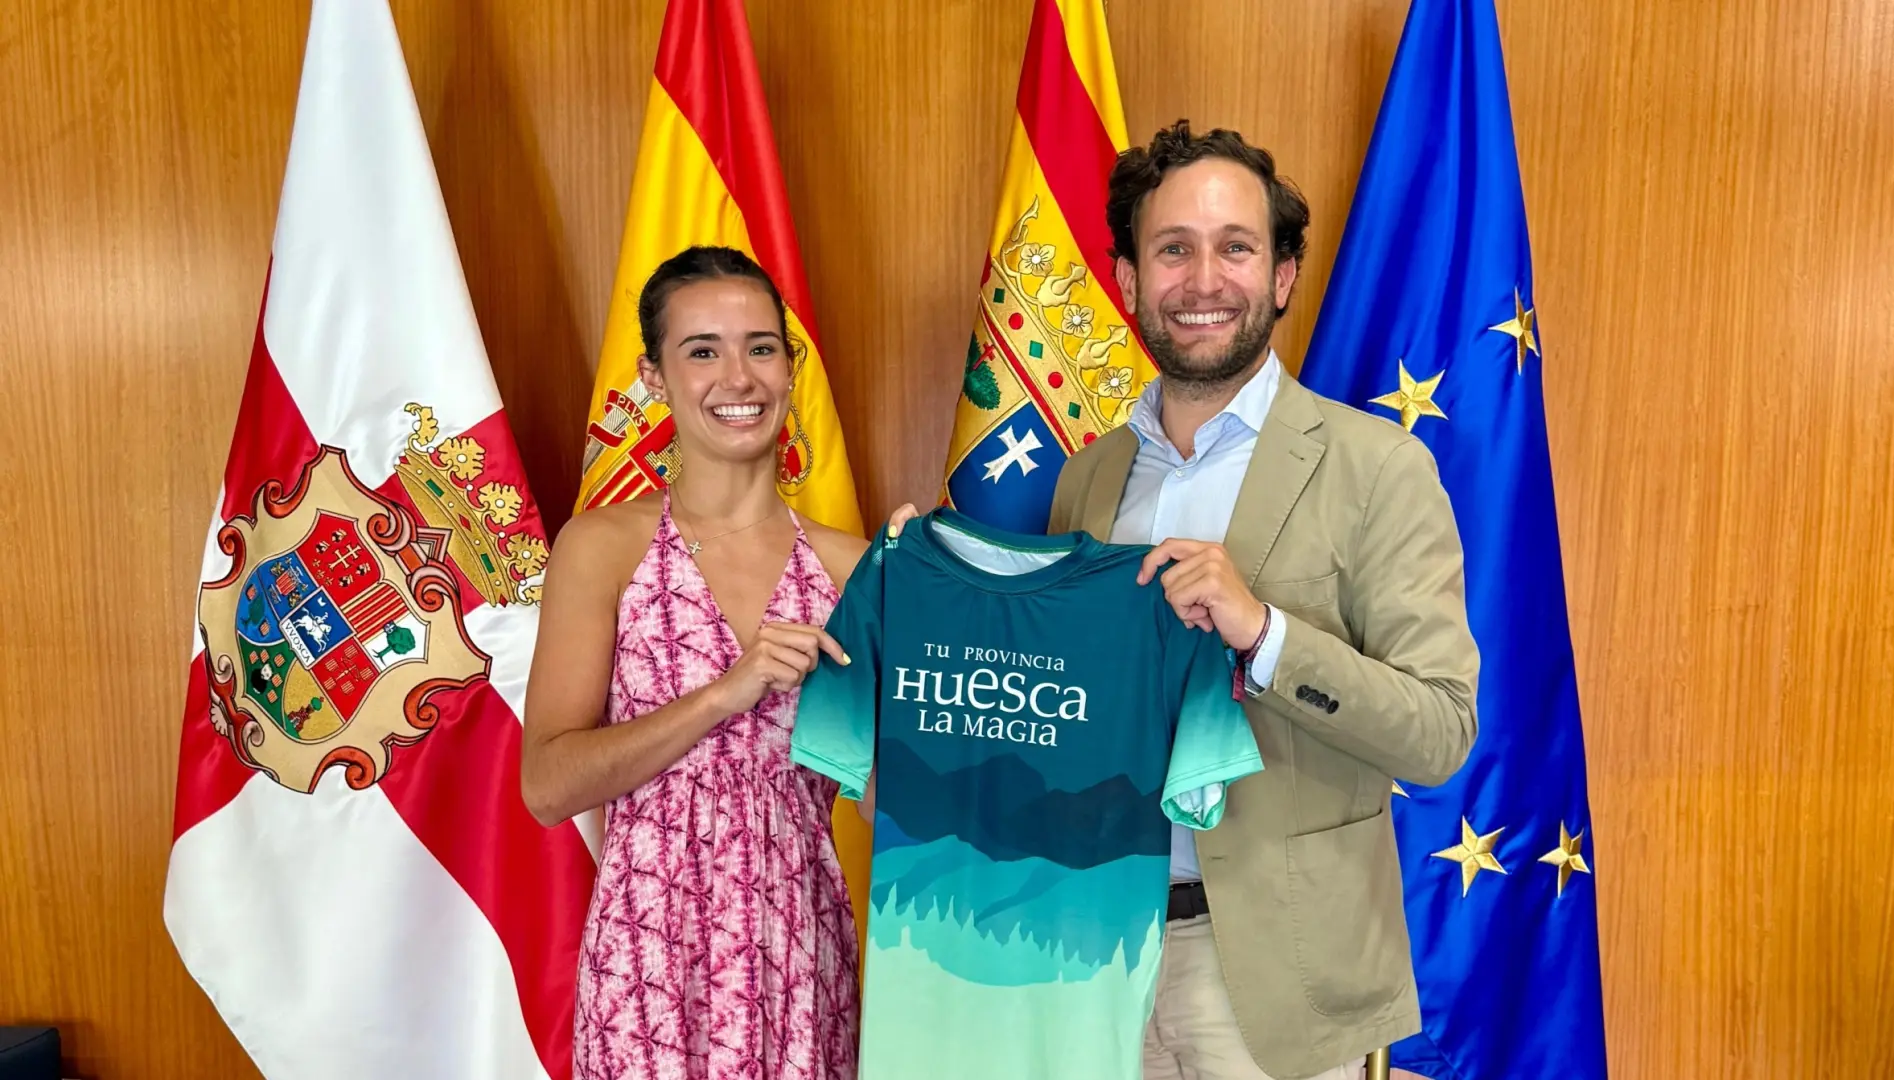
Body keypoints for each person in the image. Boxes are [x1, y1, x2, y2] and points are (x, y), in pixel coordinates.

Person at [891, 121, 1480, 1080]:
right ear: (1127, 279)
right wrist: (933, 606)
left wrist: (1265, 635)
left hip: (1281, 981)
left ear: (1283, 275)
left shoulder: (1378, 467)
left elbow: (1442, 732)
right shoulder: (1088, 481)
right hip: (1092, 958)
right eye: (1174, 249)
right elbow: (1053, 707)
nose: (1204, 281)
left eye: (1235, 247)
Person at [522, 245, 866, 1080]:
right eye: (702, 350)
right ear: (654, 377)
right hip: (647, 960)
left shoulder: (855, 569)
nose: (737, 376)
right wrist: (725, 692)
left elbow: (905, 795)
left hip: (799, 948)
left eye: (760, 347)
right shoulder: (603, 549)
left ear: (791, 368)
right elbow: (548, 785)